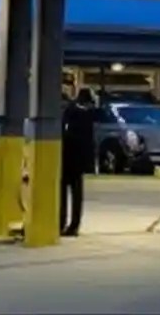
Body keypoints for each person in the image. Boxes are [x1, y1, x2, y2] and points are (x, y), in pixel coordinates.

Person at [60, 88, 96, 237]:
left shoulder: (69, 112)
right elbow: (89, 141)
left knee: (62, 194)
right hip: (78, 161)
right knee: (76, 195)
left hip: (65, 158)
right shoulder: (88, 115)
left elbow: (64, 133)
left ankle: (60, 223)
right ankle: (73, 226)